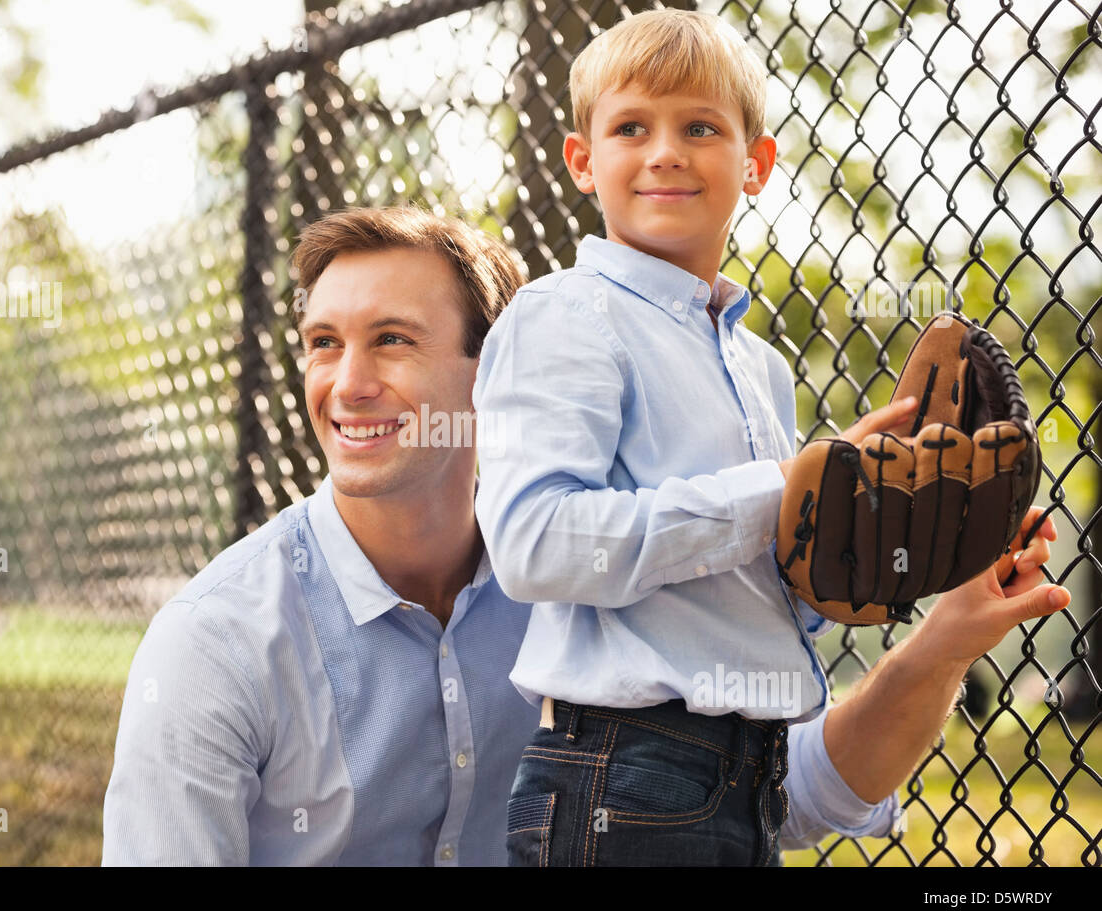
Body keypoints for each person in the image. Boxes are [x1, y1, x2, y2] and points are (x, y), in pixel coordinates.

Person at [100, 205, 1067, 866]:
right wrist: (775, 492)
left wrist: (949, 638)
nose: (344, 383)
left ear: (497, 372)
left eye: (391, 340)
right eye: (323, 343)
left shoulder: (597, 575)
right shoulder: (216, 643)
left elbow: (792, 792)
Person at [470, 9, 1068, 866]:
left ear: (756, 165)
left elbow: (740, 587)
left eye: (700, 127)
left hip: (747, 771)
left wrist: (854, 537)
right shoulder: (566, 314)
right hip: (619, 770)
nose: (666, 150)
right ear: (581, 161)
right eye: (631, 126)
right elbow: (533, 544)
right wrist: (781, 492)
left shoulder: (760, 366)